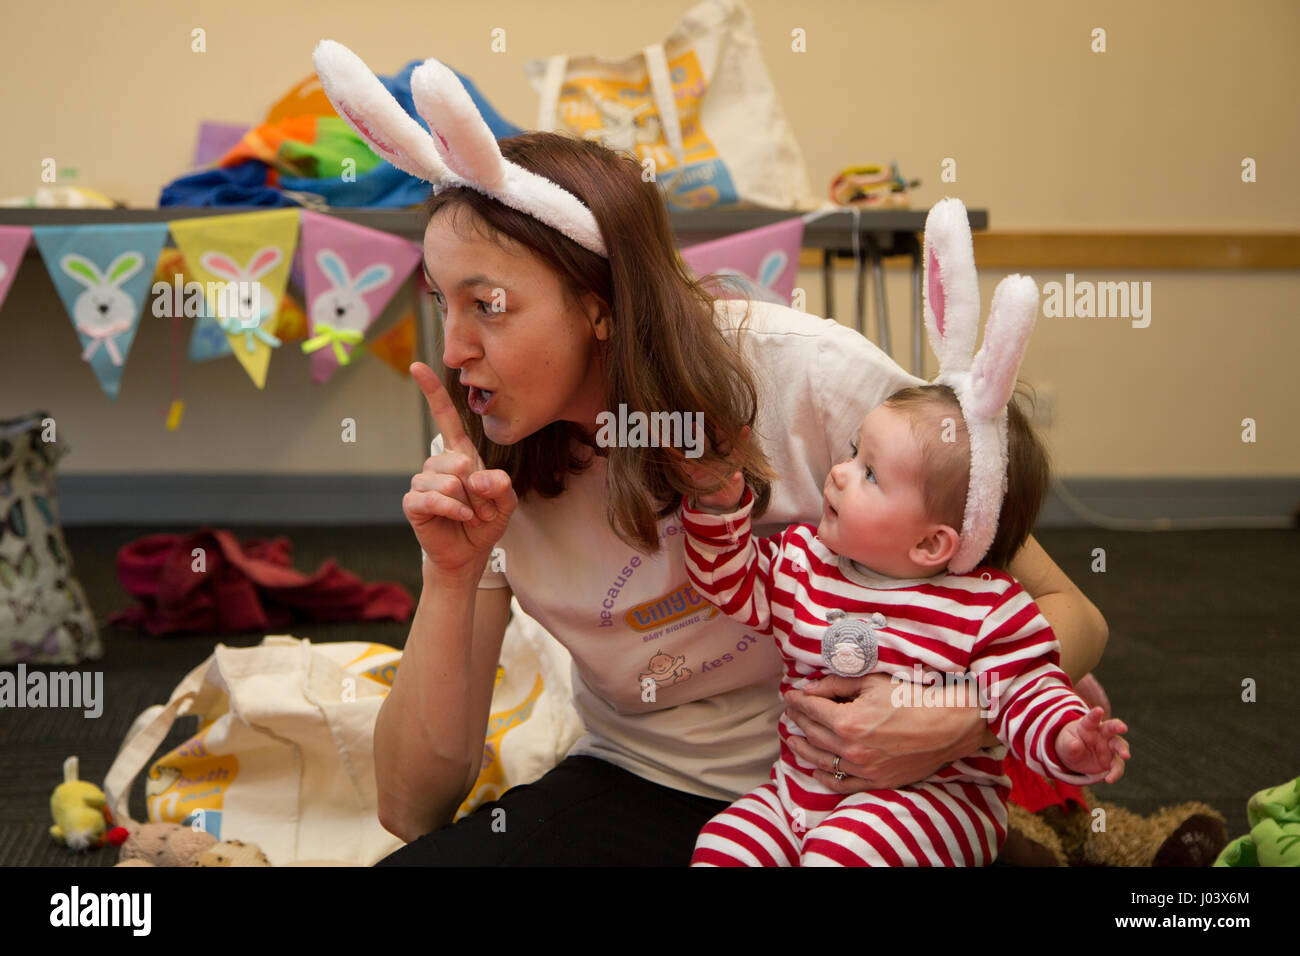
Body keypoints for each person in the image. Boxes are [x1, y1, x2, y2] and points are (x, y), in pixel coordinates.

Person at [309, 44, 1110, 866]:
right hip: (655, 783)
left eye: (488, 305)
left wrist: (958, 713)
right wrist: (451, 575)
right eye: (443, 303)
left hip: (883, 803)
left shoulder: (810, 378)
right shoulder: (495, 466)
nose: (454, 351)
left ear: (602, 308)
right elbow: (411, 806)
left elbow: (1073, 616)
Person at [679, 385, 1130, 866]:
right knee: (722, 844)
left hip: (936, 805)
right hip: (800, 793)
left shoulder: (987, 608)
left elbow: (1027, 690)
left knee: (841, 853)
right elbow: (731, 583)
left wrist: (1067, 738)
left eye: (868, 473)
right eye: (854, 453)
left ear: (931, 544)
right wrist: (719, 508)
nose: (838, 471)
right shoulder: (803, 562)